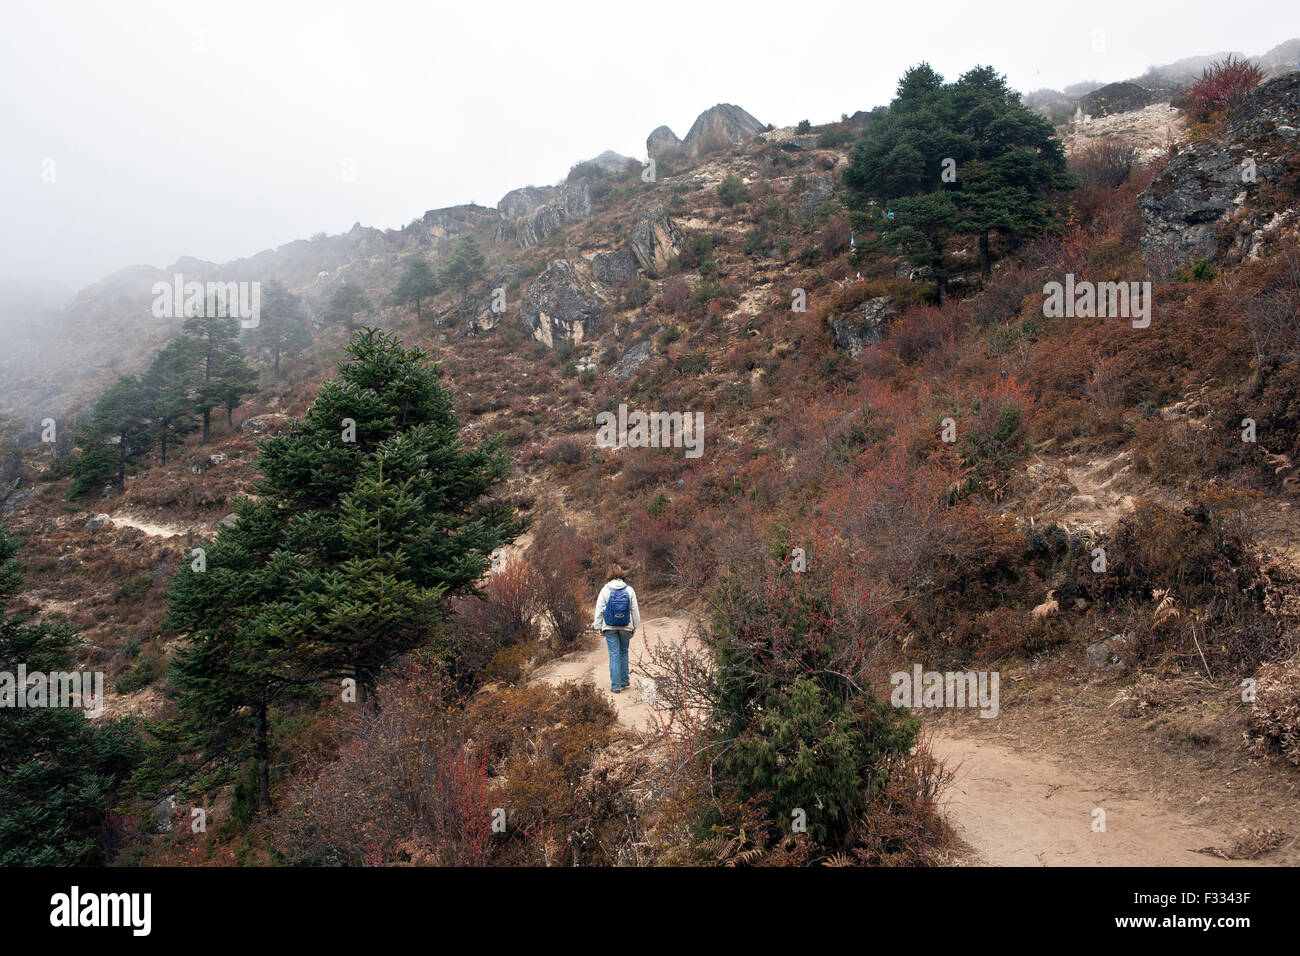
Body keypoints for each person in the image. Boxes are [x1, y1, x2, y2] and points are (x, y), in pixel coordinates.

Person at [592, 564, 641, 693]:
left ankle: (616, 686)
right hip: (626, 625)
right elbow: (634, 609)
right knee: (624, 651)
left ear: (608, 575)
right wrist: (635, 625)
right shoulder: (629, 590)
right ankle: (625, 680)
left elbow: (599, 609)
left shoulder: (605, 590)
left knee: (614, 655)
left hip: (609, 626)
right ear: (621, 573)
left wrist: (598, 626)